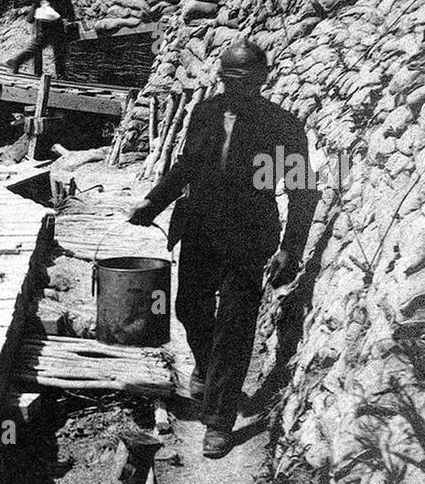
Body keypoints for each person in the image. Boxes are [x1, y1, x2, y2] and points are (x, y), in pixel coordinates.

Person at [127, 39, 317, 459]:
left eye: (248, 79)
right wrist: (153, 202)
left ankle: (218, 420)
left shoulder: (282, 125)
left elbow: (303, 190)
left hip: (250, 237)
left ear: (264, 78)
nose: (238, 87)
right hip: (199, 227)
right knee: (188, 307)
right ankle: (207, 366)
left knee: (234, 324)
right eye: (231, 79)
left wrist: (291, 248)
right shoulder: (206, 112)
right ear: (220, 79)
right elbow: (187, 166)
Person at [7, 0, 68, 78]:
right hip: (47, 15)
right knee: (40, 44)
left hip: (51, 14)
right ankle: (16, 61)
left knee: (57, 44)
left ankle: (61, 74)